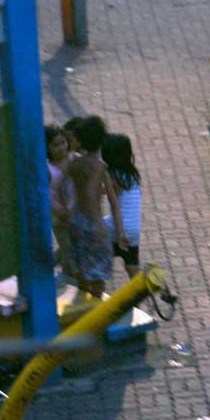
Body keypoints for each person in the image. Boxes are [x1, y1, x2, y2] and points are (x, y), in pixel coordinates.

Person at [67, 115, 128, 297]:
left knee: (82, 269)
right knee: (98, 273)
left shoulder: (75, 163)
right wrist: (120, 232)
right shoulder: (100, 167)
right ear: (101, 141)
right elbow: (113, 203)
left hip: (75, 220)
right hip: (93, 224)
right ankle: (95, 304)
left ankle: (81, 303)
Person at [102, 133, 142, 278]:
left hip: (120, 227)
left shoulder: (113, 176)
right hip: (134, 229)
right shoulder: (132, 173)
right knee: (132, 264)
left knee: (90, 234)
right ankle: (143, 288)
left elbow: (104, 192)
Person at [45, 124, 75, 278]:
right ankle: (69, 277)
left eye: (63, 143)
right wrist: (59, 211)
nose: (61, 148)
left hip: (76, 211)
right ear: (47, 148)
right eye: (55, 145)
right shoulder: (48, 169)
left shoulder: (74, 158)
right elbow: (45, 195)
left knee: (73, 246)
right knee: (69, 252)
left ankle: (53, 261)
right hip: (59, 218)